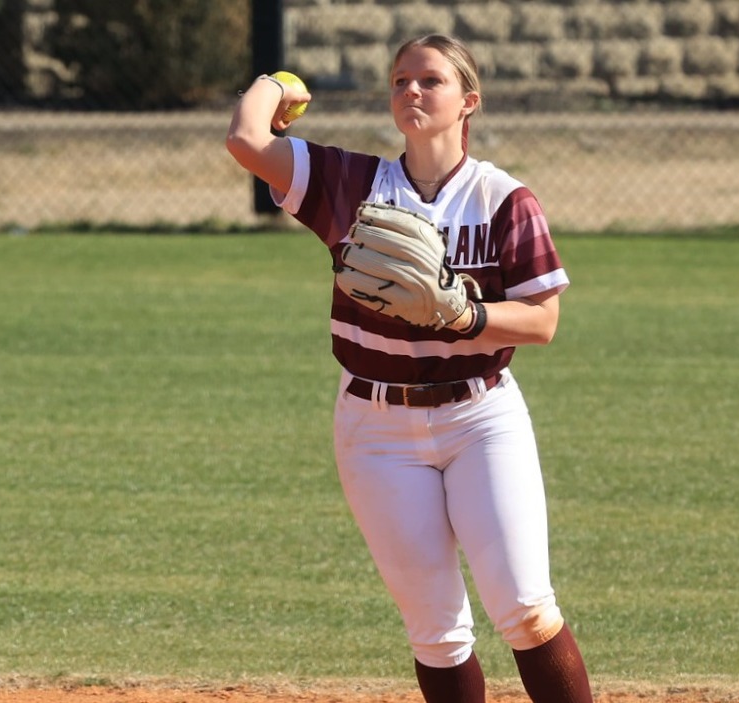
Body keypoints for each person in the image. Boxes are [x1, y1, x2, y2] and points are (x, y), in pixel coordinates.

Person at [226, 34, 594, 703]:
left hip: (479, 418)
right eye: (400, 81)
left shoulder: (503, 199)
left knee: (524, 607)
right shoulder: (349, 183)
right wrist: (277, 85)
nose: (411, 91)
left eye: (430, 80)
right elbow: (247, 141)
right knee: (436, 631)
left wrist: (465, 315)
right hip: (375, 429)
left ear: (468, 102)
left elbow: (542, 320)